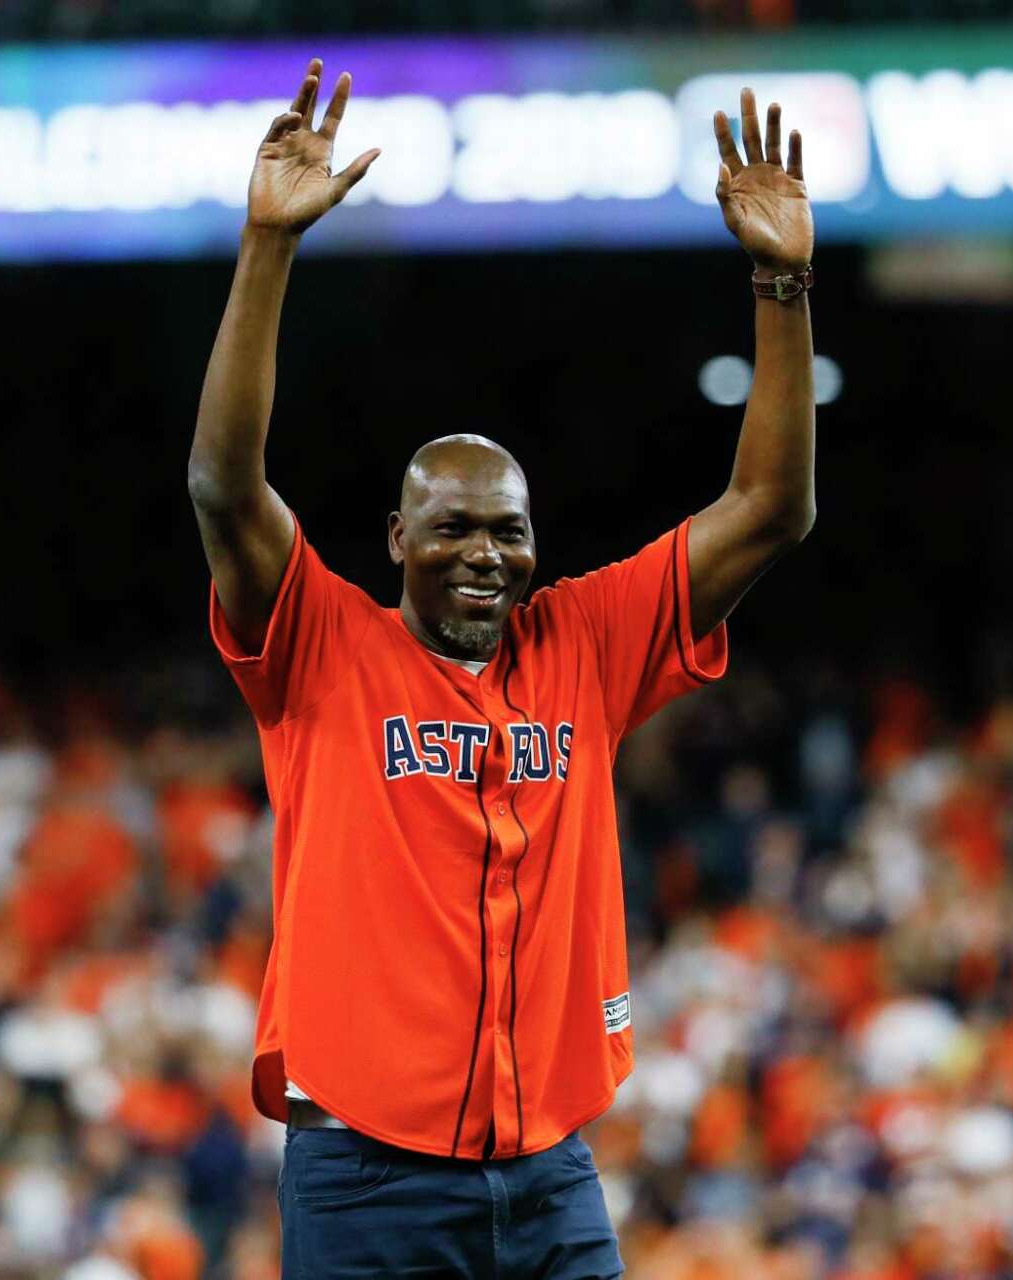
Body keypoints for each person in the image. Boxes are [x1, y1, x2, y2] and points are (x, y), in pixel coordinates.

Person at [186, 57, 815, 1279]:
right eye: (455, 528)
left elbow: (772, 508)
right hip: (364, 1170)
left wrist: (782, 284)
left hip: (547, 1170)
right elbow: (223, 483)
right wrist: (267, 248)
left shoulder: (582, 638)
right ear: (398, 542)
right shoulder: (323, 643)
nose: (487, 554)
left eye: (509, 529)